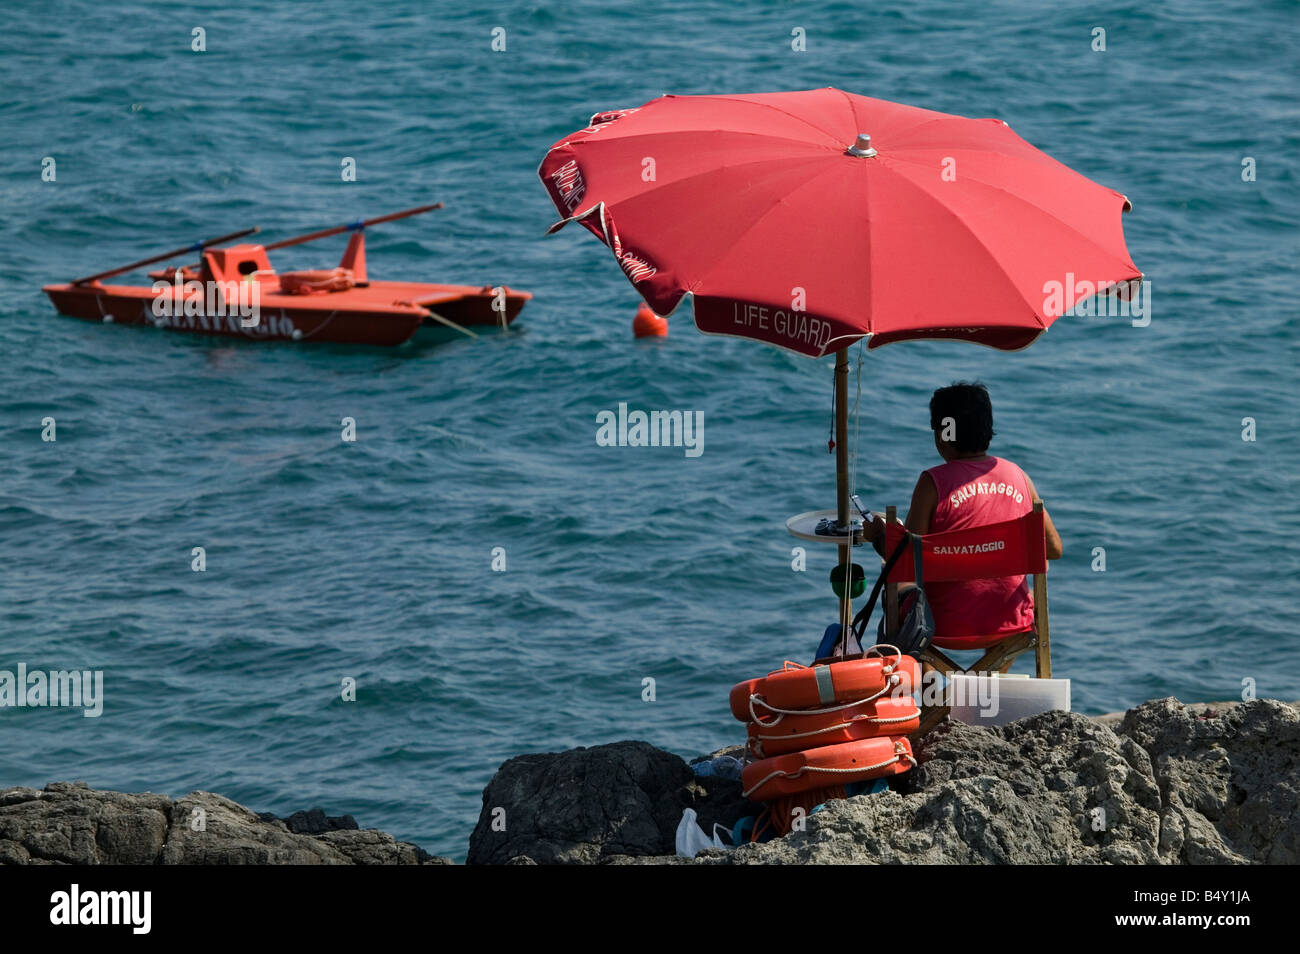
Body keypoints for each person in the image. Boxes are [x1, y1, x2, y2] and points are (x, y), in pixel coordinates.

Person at [863, 382, 1063, 643]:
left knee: (898, 583)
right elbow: (1054, 549)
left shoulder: (932, 483)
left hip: (938, 629)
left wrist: (879, 537)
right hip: (1011, 626)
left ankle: (929, 682)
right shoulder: (1020, 477)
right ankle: (992, 673)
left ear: (942, 434)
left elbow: (906, 563)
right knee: (1036, 567)